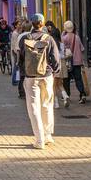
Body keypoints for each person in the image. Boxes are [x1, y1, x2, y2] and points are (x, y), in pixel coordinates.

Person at [16, 15, 61, 148]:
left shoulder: (25, 39)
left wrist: (24, 71)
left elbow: (20, 59)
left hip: (30, 77)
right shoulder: (49, 39)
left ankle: (39, 139)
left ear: (32, 24)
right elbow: (56, 59)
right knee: (46, 104)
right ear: (42, 24)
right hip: (46, 75)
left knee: (33, 107)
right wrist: (53, 71)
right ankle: (48, 135)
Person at [60, 21, 87, 105]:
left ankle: (67, 95)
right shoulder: (77, 37)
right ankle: (82, 94)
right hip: (77, 61)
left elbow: (62, 49)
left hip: (68, 62)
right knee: (78, 79)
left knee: (66, 79)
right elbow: (82, 49)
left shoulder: (64, 38)